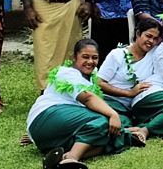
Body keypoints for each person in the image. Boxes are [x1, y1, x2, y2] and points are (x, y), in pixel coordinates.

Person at [26, 39, 137, 169]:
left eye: (94, 58)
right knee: (104, 121)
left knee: (110, 132)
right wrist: (113, 115)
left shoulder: (92, 76)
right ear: (74, 57)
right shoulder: (66, 72)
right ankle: (73, 157)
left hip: (60, 132)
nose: (90, 61)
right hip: (47, 116)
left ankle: (61, 159)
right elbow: (88, 98)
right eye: (85, 57)